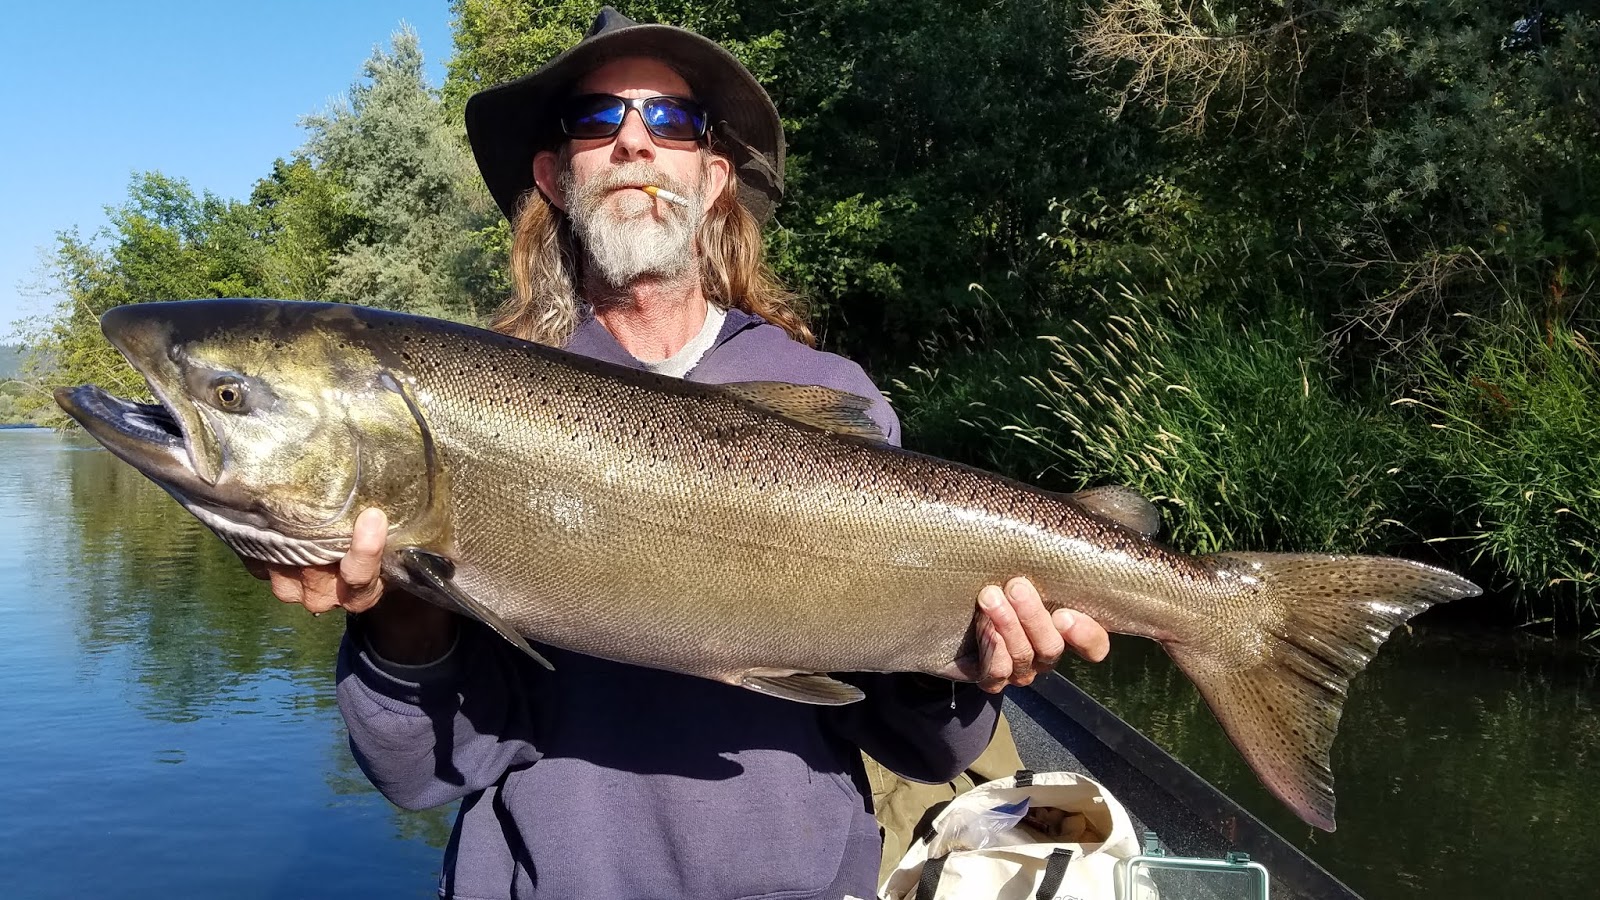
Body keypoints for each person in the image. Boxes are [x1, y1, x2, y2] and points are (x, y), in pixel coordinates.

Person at [256, 8, 1108, 899]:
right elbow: (422, 774)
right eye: (597, 119)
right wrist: (399, 617)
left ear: (713, 177)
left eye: (671, 121)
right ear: (554, 178)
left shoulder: (836, 396)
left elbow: (924, 749)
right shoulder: (473, 411)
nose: (634, 142)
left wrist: (968, 669)